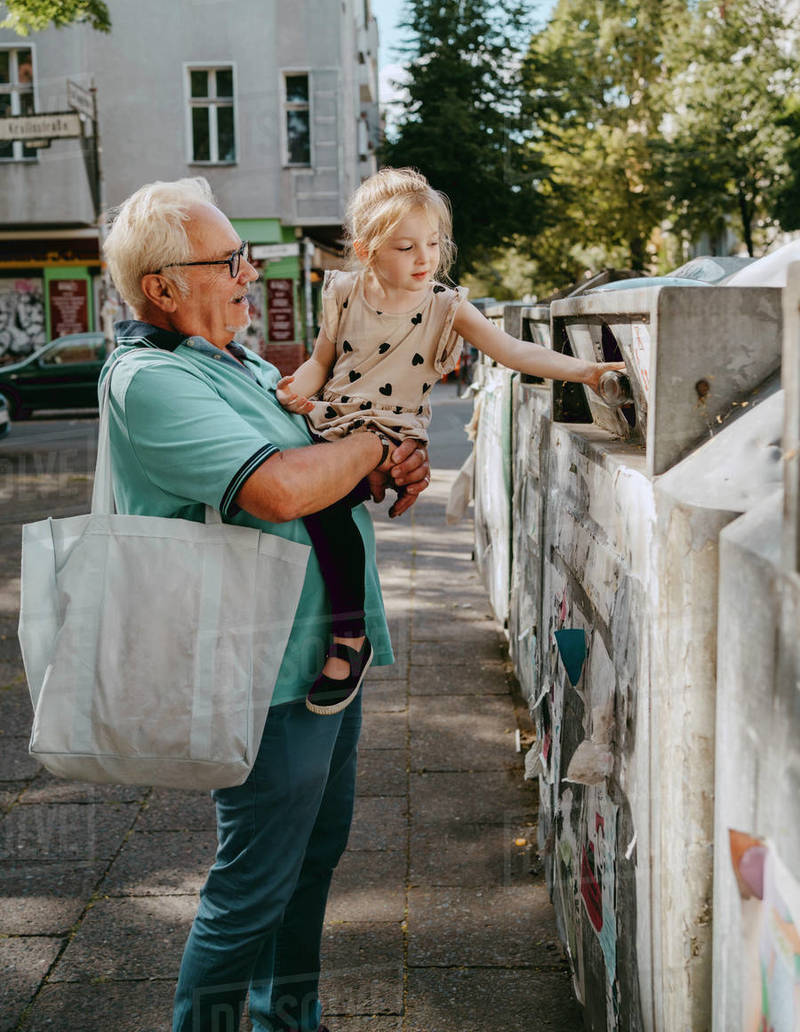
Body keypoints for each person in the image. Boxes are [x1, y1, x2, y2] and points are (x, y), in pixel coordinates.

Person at [101, 176, 430, 1032]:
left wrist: (377, 468)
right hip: (260, 669)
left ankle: (289, 1021)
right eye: (228, 260)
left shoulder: (238, 363)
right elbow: (280, 489)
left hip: (327, 650)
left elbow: (318, 476)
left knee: (310, 860)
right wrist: (371, 440)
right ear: (162, 288)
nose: (250, 274)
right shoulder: (148, 379)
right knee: (251, 888)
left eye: (247, 257)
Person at [276, 167, 626, 715]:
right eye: (406, 246)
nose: (424, 259)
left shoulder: (444, 306)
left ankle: (350, 638)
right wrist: (290, 393)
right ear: (367, 250)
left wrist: (584, 372)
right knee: (300, 502)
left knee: (324, 508)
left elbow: (513, 352)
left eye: (434, 244)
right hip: (330, 422)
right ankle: (318, 631)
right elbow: (321, 363)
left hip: (388, 431)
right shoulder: (343, 293)